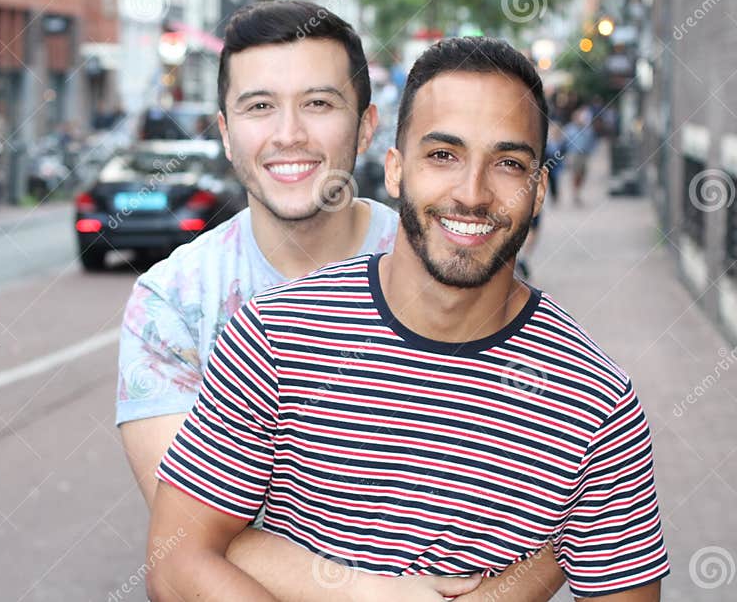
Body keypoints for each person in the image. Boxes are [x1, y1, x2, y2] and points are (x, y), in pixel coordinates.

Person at [147, 36, 670, 601]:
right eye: (442, 155)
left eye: (508, 163)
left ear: (539, 190)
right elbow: (176, 562)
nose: (471, 194)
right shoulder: (274, 337)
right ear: (395, 171)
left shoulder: (596, 401)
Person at [562, 106, 597, 207]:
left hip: (584, 154)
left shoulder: (588, 129)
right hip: (574, 154)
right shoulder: (569, 129)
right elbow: (564, 143)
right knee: (575, 174)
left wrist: (591, 152)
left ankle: (578, 190)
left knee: (583, 175)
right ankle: (575, 193)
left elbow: (592, 142)